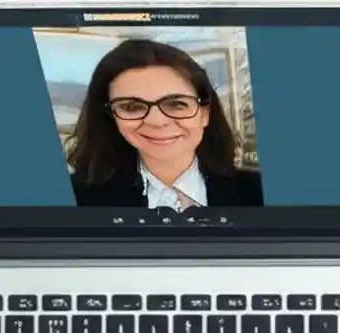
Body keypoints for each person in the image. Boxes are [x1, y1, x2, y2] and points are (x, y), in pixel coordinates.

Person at [68, 38, 263, 210]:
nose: (157, 122)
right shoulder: (74, 199)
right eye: (131, 106)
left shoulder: (260, 194)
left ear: (205, 113)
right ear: (111, 116)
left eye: (176, 104)